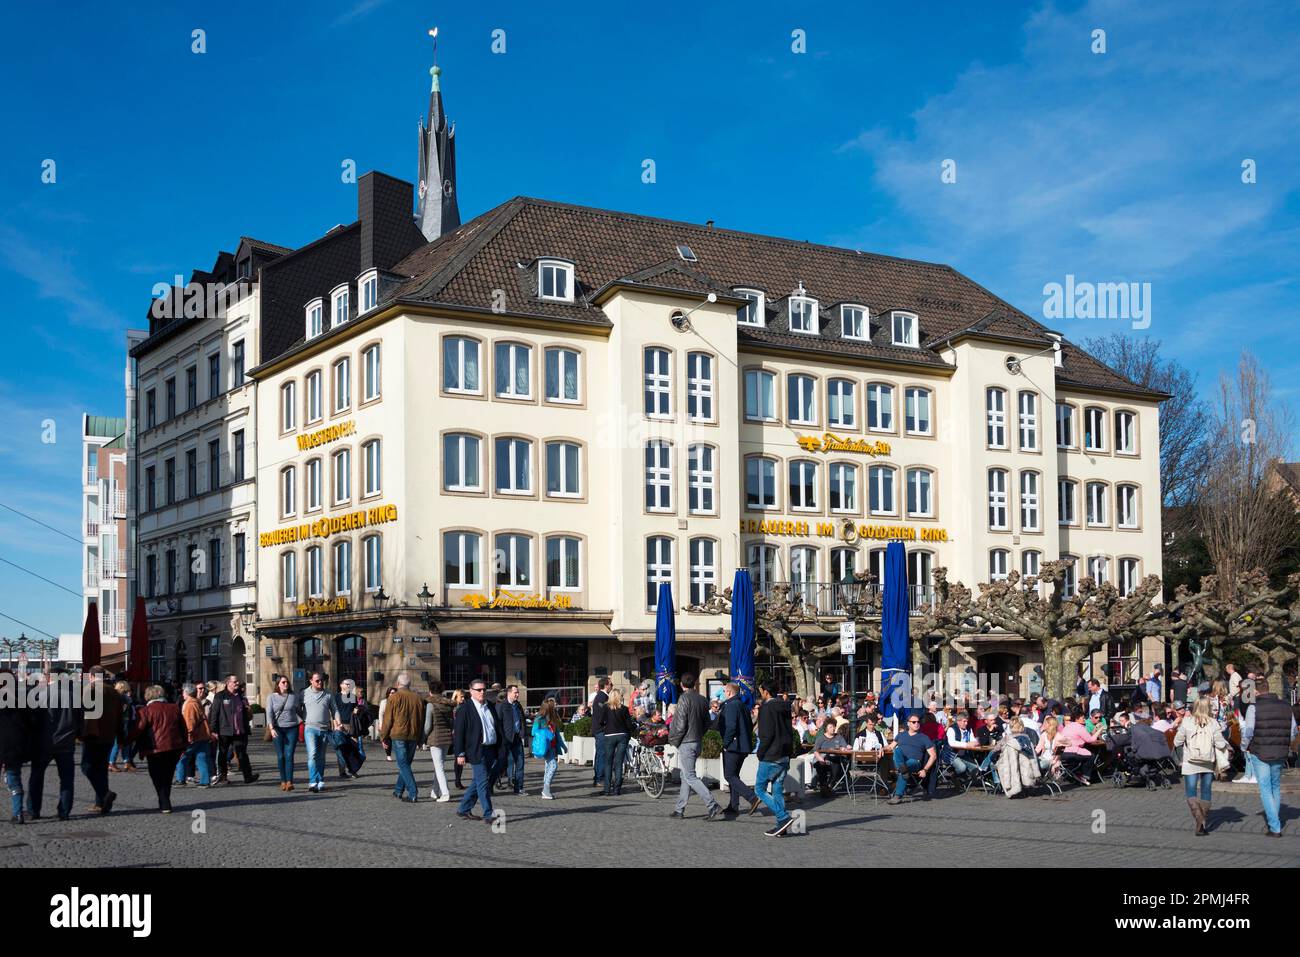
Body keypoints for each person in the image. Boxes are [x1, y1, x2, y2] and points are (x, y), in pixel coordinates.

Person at [1239, 676, 1297, 837]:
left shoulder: (1254, 708)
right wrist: (1285, 742)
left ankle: (1275, 826)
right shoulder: (1286, 706)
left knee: (1265, 788)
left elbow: (1248, 731)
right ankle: (1274, 821)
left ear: (1256, 691)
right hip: (1280, 751)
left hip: (1260, 751)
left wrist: (1244, 747)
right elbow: (1293, 732)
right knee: (1275, 787)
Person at [28, 671, 83, 821]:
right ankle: (64, 811)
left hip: (43, 743)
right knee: (66, 779)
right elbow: (80, 720)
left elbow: (32, 721)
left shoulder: (39, 695)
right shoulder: (74, 697)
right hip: (66, 743)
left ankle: (33, 810)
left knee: (36, 777)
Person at [668, 673, 721, 820]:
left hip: (686, 742)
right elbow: (706, 723)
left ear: (682, 685)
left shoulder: (684, 698)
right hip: (697, 740)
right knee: (685, 775)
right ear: (695, 684)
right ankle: (679, 809)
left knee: (690, 776)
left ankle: (712, 805)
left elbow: (680, 725)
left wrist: (673, 740)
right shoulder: (703, 699)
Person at [1173, 697, 1228, 836]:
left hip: (1190, 761)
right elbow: (1221, 744)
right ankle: (1201, 823)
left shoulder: (1187, 721)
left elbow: (1177, 741)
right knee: (1206, 791)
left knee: (1191, 791)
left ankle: (1198, 817)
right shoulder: (1213, 723)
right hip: (1208, 762)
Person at [128, 685, 187, 814]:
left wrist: (126, 741)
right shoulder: (174, 708)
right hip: (173, 747)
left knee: (156, 775)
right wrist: (184, 745)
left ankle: (164, 801)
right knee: (168, 774)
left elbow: (138, 729)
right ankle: (165, 800)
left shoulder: (145, 710)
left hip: (154, 748)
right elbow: (183, 728)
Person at [454, 678, 502, 824]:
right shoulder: (465, 709)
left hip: (490, 749)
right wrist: (459, 753)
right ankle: (489, 814)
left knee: (478, 782)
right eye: (479, 690)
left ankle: (463, 808)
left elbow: (496, 728)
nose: (482, 692)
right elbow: (459, 733)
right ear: (471, 691)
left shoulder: (490, 706)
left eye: (483, 690)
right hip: (476, 750)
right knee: (483, 783)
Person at [754, 680, 796, 837]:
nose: (760, 694)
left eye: (761, 691)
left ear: (766, 692)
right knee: (777, 789)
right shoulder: (785, 705)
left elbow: (766, 733)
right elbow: (789, 731)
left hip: (771, 754)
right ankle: (781, 826)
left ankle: (783, 817)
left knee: (759, 789)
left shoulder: (766, 707)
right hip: (784, 754)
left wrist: (760, 752)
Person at [77, 667, 120, 815]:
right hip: (109, 735)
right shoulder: (113, 691)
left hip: (93, 735)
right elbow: (119, 714)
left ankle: (104, 793)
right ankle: (100, 803)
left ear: (92, 676)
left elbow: (83, 712)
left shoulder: (91, 689)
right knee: (101, 769)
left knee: (86, 767)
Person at [379, 673, 425, 803]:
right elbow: (421, 720)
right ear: (409, 685)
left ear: (398, 684)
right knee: (406, 764)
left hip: (399, 734)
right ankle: (398, 790)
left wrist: (383, 736)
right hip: (413, 734)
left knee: (403, 764)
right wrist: (421, 738)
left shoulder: (394, 698)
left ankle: (413, 792)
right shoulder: (418, 698)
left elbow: (388, 720)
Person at [717, 682, 759, 817]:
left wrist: (725, 743)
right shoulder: (742, 705)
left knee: (729, 775)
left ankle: (752, 797)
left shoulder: (731, 706)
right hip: (742, 745)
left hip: (734, 746)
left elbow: (730, 727)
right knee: (734, 775)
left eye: (724, 691)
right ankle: (733, 806)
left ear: (729, 692)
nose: (723, 694)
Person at [208, 674, 258, 785]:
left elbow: (245, 713)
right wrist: (213, 730)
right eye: (235, 681)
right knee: (223, 753)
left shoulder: (240, 696)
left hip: (239, 730)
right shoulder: (220, 696)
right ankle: (222, 777)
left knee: (242, 754)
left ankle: (248, 776)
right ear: (228, 683)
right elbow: (214, 714)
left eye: (237, 681)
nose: (237, 683)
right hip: (224, 730)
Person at [0, 669, 36, 824]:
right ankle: (18, 813)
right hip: (15, 745)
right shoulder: (22, 700)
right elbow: (31, 723)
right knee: (14, 778)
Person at [302, 672, 341, 793]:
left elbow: (335, 709)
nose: (320, 682)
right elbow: (296, 707)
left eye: (321, 680)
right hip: (310, 728)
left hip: (324, 729)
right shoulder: (304, 693)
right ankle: (312, 781)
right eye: (317, 680)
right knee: (312, 754)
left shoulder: (328, 693)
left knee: (321, 757)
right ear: (311, 681)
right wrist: (302, 719)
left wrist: (338, 723)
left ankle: (320, 780)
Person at [889, 713, 938, 804]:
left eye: (918, 722)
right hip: (901, 761)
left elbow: (933, 756)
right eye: (914, 722)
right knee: (898, 750)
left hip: (915, 762)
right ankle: (902, 771)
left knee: (905, 768)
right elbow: (890, 747)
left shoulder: (924, 737)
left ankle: (898, 795)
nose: (916, 724)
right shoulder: (901, 735)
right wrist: (881, 748)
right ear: (908, 723)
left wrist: (925, 769)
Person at [174, 682, 215, 790]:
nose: (182, 693)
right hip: (203, 735)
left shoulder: (189, 704)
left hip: (194, 736)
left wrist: (188, 736)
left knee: (181, 758)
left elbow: (189, 722)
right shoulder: (197, 702)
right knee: (201, 758)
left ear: (187, 692)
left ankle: (180, 779)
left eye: (183, 691)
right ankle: (205, 781)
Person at [265, 676, 303, 791]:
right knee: (281, 755)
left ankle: (289, 781)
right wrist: (271, 728)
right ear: (278, 684)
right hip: (277, 729)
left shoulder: (293, 696)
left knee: (289, 755)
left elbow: (299, 711)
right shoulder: (271, 697)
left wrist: (305, 721)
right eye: (283, 682)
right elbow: (269, 713)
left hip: (292, 728)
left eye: (287, 682)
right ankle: (282, 780)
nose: (286, 684)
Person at [600, 690, 637, 796]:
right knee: (619, 763)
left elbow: (601, 721)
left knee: (608, 762)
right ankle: (617, 789)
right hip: (622, 735)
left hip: (609, 735)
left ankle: (607, 789)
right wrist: (634, 726)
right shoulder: (624, 709)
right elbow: (629, 725)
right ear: (620, 697)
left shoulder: (606, 708)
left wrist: (606, 726)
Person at [422, 681, 454, 802]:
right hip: (447, 737)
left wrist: (423, 738)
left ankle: (445, 793)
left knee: (439, 767)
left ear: (430, 691)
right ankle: (435, 791)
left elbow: (427, 726)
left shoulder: (431, 705)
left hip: (435, 738)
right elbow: (451, 722)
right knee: (439, 766)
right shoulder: (448, 704)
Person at [531, 697, 567, 799]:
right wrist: (547, 734)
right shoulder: (540, 718)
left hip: (552, 747)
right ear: (549, 707)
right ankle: (546, 790)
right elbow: (533, 731)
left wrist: (563, 746)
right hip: (545, 746)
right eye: (554, 703)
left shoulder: (553, 718)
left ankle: (546, 790)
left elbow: (557, 734)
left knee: (548, 767)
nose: (556, 705)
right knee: (553, 766)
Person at [496, 684, 528, 795]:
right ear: (509, 693)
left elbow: (522, 720)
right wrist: (501, 738)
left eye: (518, 692)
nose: (517, 694)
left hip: (517, 738)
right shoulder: (502, 706)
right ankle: (491, 784)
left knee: (520, 764)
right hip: (506, 740)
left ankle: (518, 788)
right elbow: (497, 723)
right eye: (515, 692)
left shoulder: (518, 705)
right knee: (500, 763)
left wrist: (523, 734)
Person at [334, 678, 368, 780]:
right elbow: (333, 711)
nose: (348, 686)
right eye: (346, 684)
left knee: (354, 748)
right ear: (341, 685)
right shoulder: (336, 697)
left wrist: (356, 711)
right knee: (341, 749)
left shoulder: (352, 697)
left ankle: (353, 770)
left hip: (351, 725)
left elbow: (355, 709)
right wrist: (336, 725)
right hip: (340, 725)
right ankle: (342, 771)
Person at [811, 715, 849, 798]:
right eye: (831, 727)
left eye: (834, 726)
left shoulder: (839, 737)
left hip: (835, 759)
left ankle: (829, 786)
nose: (833, 728)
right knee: (820, 765)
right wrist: (820, 759)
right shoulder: (821, 738)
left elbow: (845, 747)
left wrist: (844, 748)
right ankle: (824, 786)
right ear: (826, 728)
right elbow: (816, 751)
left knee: (836, 764)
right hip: (822, 758)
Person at [943, 711, 981, 783]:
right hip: (951, 754)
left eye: (967, 721)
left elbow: (972, 740)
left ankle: (965, 780)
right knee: (962, 768)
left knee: (975, 768)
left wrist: (976, 742)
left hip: (963, 754)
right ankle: (953, 776)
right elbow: (952, 743)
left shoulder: (969, 729)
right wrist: (966, 744)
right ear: (958, 721)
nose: (966, 723)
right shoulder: (952, 729)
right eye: (964, 721)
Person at [590, 677, 611, 789]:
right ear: (606, 685)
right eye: (610, 684)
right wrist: (606, 723)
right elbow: (602, 714)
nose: (611, 686)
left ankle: (597, 778)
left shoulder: (600, 696)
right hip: (601, 730)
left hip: (598, 729)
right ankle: (600, 778)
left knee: (599, 754)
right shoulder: (603, 697)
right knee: (602, 755)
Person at [449, 689, 466, 788]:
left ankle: (458, 779)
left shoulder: (465, 707)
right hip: (454, 735)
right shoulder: (452, 708)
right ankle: (457, 779)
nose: (463, 699)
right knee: (457, 757)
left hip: (463, 735)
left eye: (464, 697)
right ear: (456, 697)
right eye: (461, 697)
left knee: (461, 758)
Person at [377, 686, 397, 761]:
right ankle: (388, 755)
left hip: (395, 723)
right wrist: (381, 724)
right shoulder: (384, 702)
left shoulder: (398, 702)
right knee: (387, 739)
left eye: (395, 693)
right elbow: (381, 714)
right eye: (391, 693)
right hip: (386, 723)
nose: (393, 694)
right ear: (388, 694)